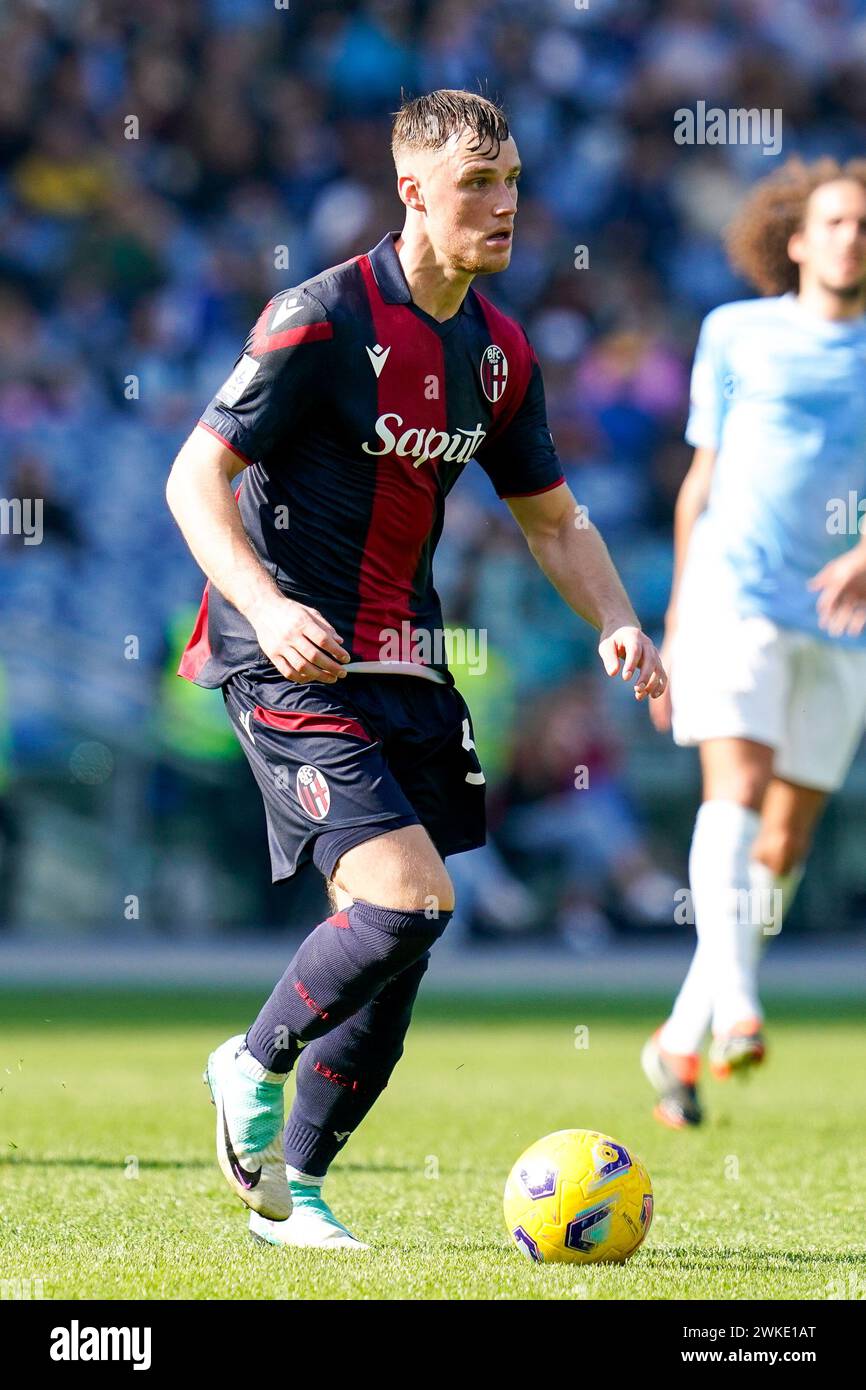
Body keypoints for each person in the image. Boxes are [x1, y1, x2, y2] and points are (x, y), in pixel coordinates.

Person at [166, 89, 666, 1248]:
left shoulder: (497, 351)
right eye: (475, 186)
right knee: (408, 899)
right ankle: (245, 1061)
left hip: (405, 659)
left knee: (396, 949)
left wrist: (617, 619)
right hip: (285, 654)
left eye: (511, 184)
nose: (501, 207)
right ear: (411, 191)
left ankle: (293, 1189)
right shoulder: (320, 315)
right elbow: (193, 480)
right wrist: (269, 603)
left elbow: (549, 518)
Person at [643, 158, 866, 1129]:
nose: (851, 237)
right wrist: (677, 615)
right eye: (836, 222)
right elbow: (701, 479)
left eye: (863, 224)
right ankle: (734, 1002)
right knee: (733, 790)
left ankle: (676, 1037)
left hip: (843, 615)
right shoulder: (733, 333)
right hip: (735, 595)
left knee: (785, 839)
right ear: (794, 238)